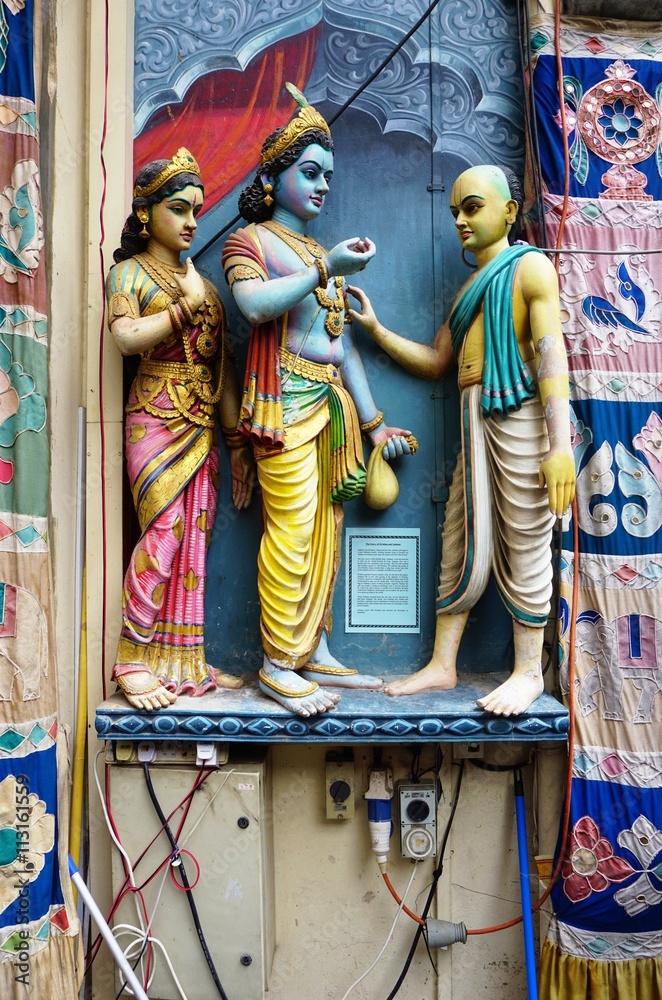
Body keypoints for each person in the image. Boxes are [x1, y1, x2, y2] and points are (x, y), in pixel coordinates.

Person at [348, 164, 576, 716]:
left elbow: (550, 358)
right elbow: (437, 362)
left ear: (509, 212)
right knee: (458, 540)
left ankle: (527, 672)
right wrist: (376, 330)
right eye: (454, 212)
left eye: (471, 207)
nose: (460, 221)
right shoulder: (470, 291)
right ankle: (442, 663)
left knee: (525, 537)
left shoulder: (529, 270)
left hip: (519, 414)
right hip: (473, 422)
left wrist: (560, 444)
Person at [223, 85, 412, 717]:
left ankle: (313, 646)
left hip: (330, 404)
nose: (323, 186)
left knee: (327, 530)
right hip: (282, 405)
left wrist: (375, 422)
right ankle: (277, 662)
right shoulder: (248, 242)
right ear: (272, 179)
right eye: (309, 172)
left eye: (328, 176)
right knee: (292, 529)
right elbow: (253, 307)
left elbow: (343, 348)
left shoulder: (311, 251)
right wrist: (325, 270)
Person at [107, 148, 255, 711]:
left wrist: (237, 444)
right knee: (164, 535)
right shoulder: (130, 274)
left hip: (200, 427)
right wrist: (180, 311)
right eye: (178, 209)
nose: (193, 221)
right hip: (154, 417)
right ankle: (130, 655)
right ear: (146, 215)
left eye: (197, 209)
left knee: (196, 541)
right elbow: (125, 337)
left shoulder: (204, 286)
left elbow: (222, 373)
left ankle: (179, 661)